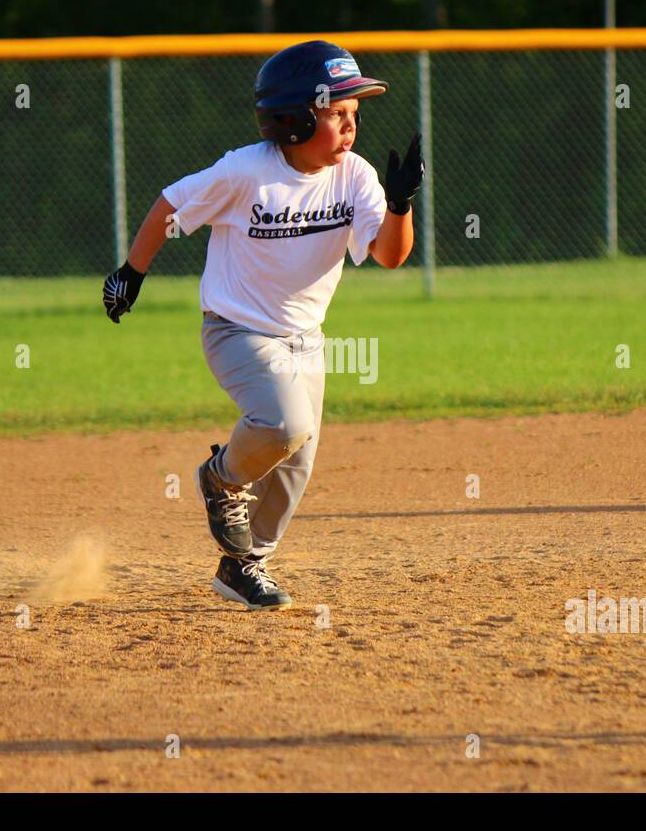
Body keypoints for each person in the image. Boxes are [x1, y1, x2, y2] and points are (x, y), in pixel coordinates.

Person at [102, 40, 423, 610]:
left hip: (307, 341)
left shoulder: (354, 176)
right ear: (296, 118)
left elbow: (390, 255)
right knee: (282, 424)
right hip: (236, 330)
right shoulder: (247, 171)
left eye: (355, 116)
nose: (351, 128)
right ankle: (222, 479)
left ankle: (244, 567)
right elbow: (171, 205)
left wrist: (399, 205)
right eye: (338, 114)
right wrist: (132, 271)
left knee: (296, 464)